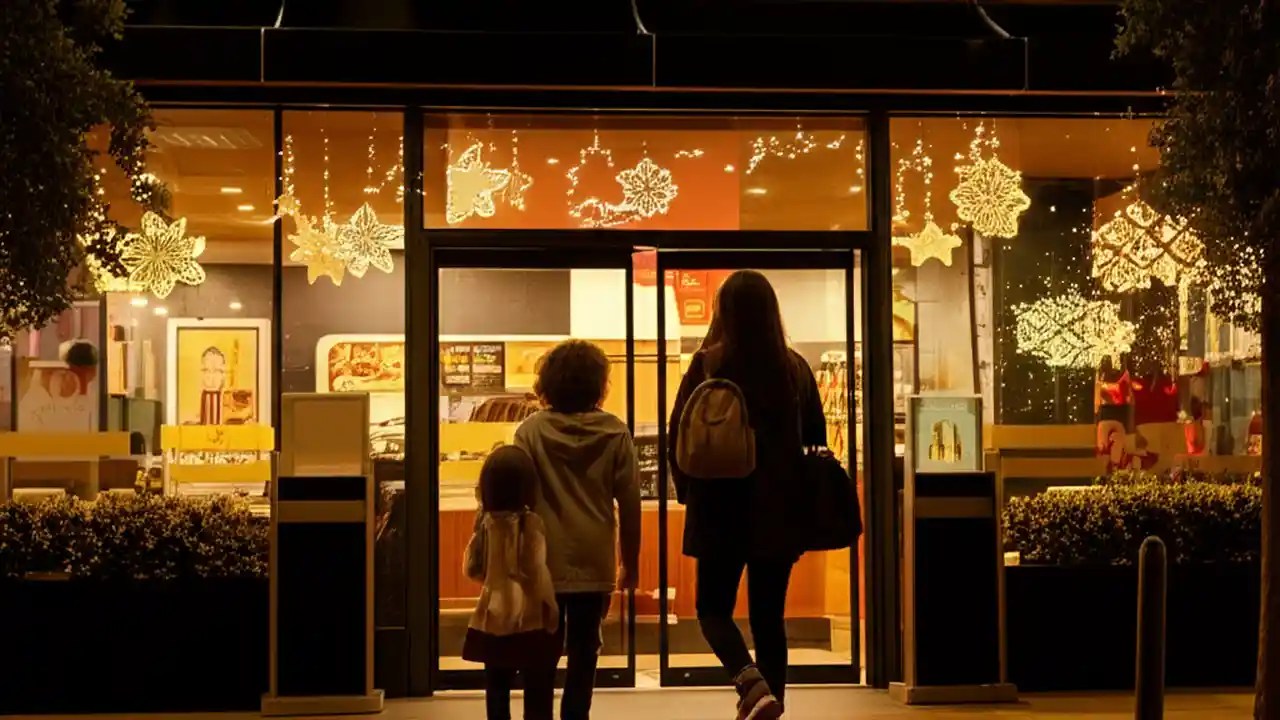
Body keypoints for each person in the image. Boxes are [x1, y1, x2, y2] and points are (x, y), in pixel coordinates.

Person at [668, 270, 826, 720]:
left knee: (712, 610)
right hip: (778, 510)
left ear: (723, 311)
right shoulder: (794, 367)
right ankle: (770, 702)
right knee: (768, 619)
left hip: (718, 505)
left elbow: (679, 432)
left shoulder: (707, 364)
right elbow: (815, 438)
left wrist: (688, 491)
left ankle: (750, 683)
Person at [515, 339, 641, 720]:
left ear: (547, 382)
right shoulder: (615, 432)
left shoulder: (531, 431)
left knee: (540, 654)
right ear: (599, 383)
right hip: (594, 559)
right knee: (584, 653)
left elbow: (517, 498)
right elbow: (631, 503)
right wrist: (629, 562)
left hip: (542, 562)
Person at [462, 446, 560, 720]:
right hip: (530, 619)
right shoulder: (532, 524)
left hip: (491, 615)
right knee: (538, 691)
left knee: (496, 692)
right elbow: (538, 572)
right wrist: (551, 608)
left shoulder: (484, 523)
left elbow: (472, 568)